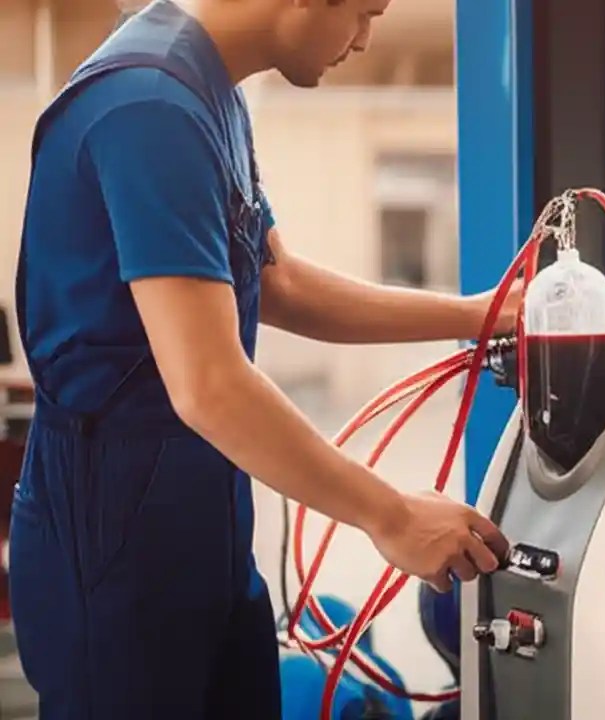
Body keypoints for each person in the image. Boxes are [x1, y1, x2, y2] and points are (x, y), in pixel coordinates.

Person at [9, 0, 514, 716]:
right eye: (364, 13)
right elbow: (209, 386)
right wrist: (391, 515)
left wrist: (476, 315)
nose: (365, 41)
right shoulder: (150, 108)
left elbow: (277, 280)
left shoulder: (209, 90)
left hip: (203, 518)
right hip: (114, 541)